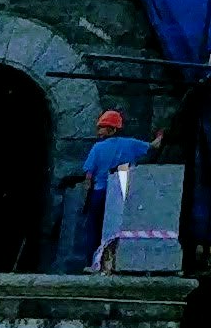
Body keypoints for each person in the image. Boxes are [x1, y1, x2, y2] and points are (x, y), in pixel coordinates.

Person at [60, 105, 152, 270]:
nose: (99, 130)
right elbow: (153, 146)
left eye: (102, 127)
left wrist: (86, 198)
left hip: (100, 193)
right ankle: (117, 264)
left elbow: (89, 175)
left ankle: (94, 263)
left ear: (112, 129)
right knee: (119, 229)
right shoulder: (131, 144)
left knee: (94, 229)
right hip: (122, 194)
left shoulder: (97, 148)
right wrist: (161, 135)